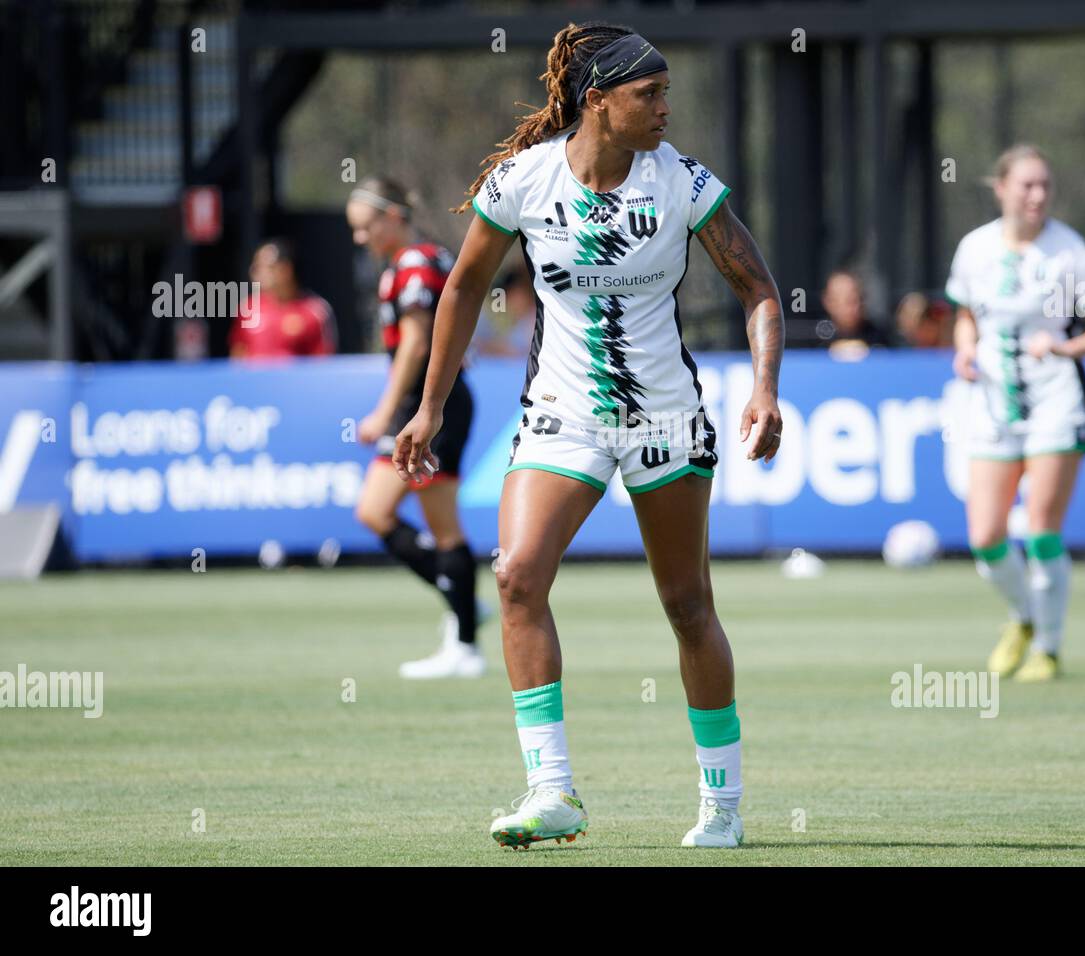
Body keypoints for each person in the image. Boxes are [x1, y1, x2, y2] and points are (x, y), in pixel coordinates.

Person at [393, 21, 784, 849]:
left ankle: (722, 803)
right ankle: (553, 792)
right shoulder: (523, 181)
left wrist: (765, 389)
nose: (666, 108)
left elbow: (758, 288)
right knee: (517, 577)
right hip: (563, 410)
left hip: (666, 416)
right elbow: (462, 288)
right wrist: (429, 406)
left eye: (668, 92)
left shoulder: (681, 181)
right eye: (650, 94)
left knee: (686, 604)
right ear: (597, 101)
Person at [946, 144, 1085, 682]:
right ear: (1000, 188)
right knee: (985, 538)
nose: (1038, 195)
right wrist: (965, 349)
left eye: (1045, 185)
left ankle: (1048, 647)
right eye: (1027, 185)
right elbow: (965, 317)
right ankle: (1024, 616)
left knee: (1042, 531)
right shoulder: (974, 248)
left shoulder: (1070, 252)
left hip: (1056, 400)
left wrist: (1065, 348)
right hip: (994, 403)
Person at [345, 176, 484, 679]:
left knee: (442, 526)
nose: (361, 239)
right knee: (375, 511)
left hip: (432, 405)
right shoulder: (408, 266)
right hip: (425, 404)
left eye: (365, 228)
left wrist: (385, 412)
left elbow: (417, 342)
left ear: (393, 217)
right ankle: (459, 596)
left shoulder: (416, 263)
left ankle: (465, 643)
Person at [230, 239, 336, 360]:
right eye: (255, 266)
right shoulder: (248, 307)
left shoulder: (315, 311)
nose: (255, 272)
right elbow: (238, 355)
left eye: (265, 267)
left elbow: (323, 362)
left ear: (286, 269)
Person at [820, 269, 889, 359]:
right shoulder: (816, 338)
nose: (848, 307)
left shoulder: (878, 336)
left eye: (853, 299)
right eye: (839, 300)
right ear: (827, 302)